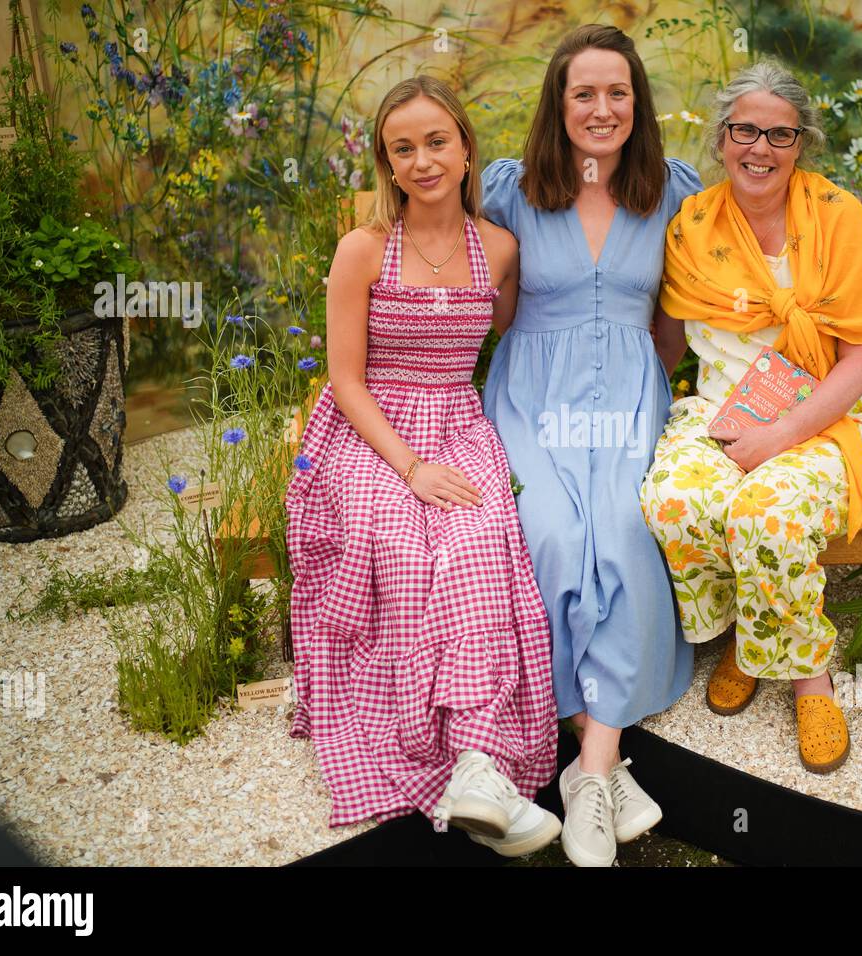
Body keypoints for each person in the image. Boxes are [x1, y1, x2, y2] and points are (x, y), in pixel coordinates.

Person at [285, 75, 561, 858]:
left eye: (437, 141)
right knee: (403, 547)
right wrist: (407, 468)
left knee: (477, 546)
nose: (422, 159)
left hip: (457, 422)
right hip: (369, 430)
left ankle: (479, 761)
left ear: (467, 147)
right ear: (387, 162)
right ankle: (450, 759)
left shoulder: (499, 247)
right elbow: (345, 378)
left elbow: (515, 334)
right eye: (402, 148)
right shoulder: (363, 249)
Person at [480, 24, 702, 866]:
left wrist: (647, 390)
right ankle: (604, 766)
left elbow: (672, 329)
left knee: (623, 529)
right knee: (552, 534)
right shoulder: (511, 192)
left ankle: (590, 766)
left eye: (618, 92)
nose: (602, 108)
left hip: (632, 399)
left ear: (637, 102)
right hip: (533, 398)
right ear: (559, 103)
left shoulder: (671, 191)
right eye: (585, 93)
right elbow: (470, 289)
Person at [641, 59, 862, 774]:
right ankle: (745, 640)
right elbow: (665, 337)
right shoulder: (693, 223)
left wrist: (781, 436)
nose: (760, 148)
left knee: (767, 512)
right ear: (722, 139)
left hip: (834, 420)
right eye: (745, 130)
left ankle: (809, 679)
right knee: (673, 499)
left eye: (779, 135)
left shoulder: (840, 218)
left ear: (801, 143)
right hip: (727, 409)